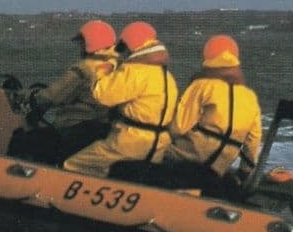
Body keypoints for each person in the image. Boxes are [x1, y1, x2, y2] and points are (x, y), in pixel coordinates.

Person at [63, 21, 178, 177]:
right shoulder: (166, 75)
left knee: (72, 165)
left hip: (129, 143)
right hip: (158, 144)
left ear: (130, 45)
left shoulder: (134, 71)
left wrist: (106, 67)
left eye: (123, 47)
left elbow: (102, 95)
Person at [9, 20, 119, 163]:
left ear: (89, 43)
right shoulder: (116, 67)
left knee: (22, 140)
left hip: (76, 130)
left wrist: (28, 95)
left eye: (82, 43)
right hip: (101, 130)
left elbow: (52, 96)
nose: (80, 47)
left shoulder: (84, 69)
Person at [166, 35, 261, 185]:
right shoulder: (250, 97)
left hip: (187, 159)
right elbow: (253, 141)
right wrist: (244, 171)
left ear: (208, 56)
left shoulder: (202, 85)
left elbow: (178, 127)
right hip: (219, 168)